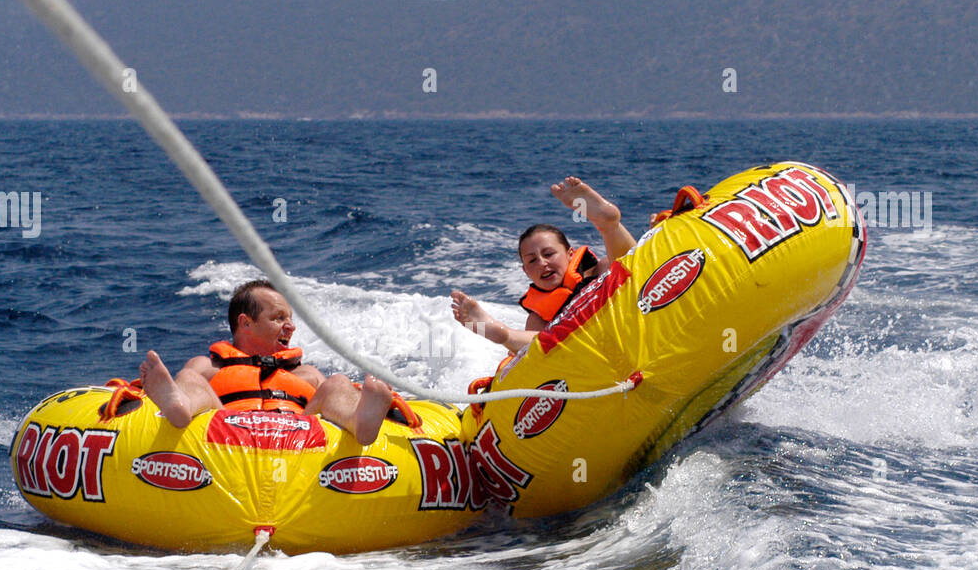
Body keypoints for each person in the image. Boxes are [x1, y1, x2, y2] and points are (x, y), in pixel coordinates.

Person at [139, 280, 395, 445]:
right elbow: (194, 377)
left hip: (300, 442)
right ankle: (178, 404)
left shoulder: (307, 374)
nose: (291, 326)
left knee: (338, 383)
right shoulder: (208, 367)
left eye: (291, 318)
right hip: (225, 436)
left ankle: (361, 421)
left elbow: (328, 398)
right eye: (278, 318)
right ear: (246, 323)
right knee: (191, 377)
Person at [452, 176, 637, 353]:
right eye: (532, 260)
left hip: (631, 319)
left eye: (549, 254)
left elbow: (637, 273)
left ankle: (608, 224)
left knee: (623, 266)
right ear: (526, 271)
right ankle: (503, 334)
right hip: (584, 352)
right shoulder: (538, 319)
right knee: (539, 339)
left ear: (570, 254)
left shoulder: (602, 270)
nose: (542, 263)